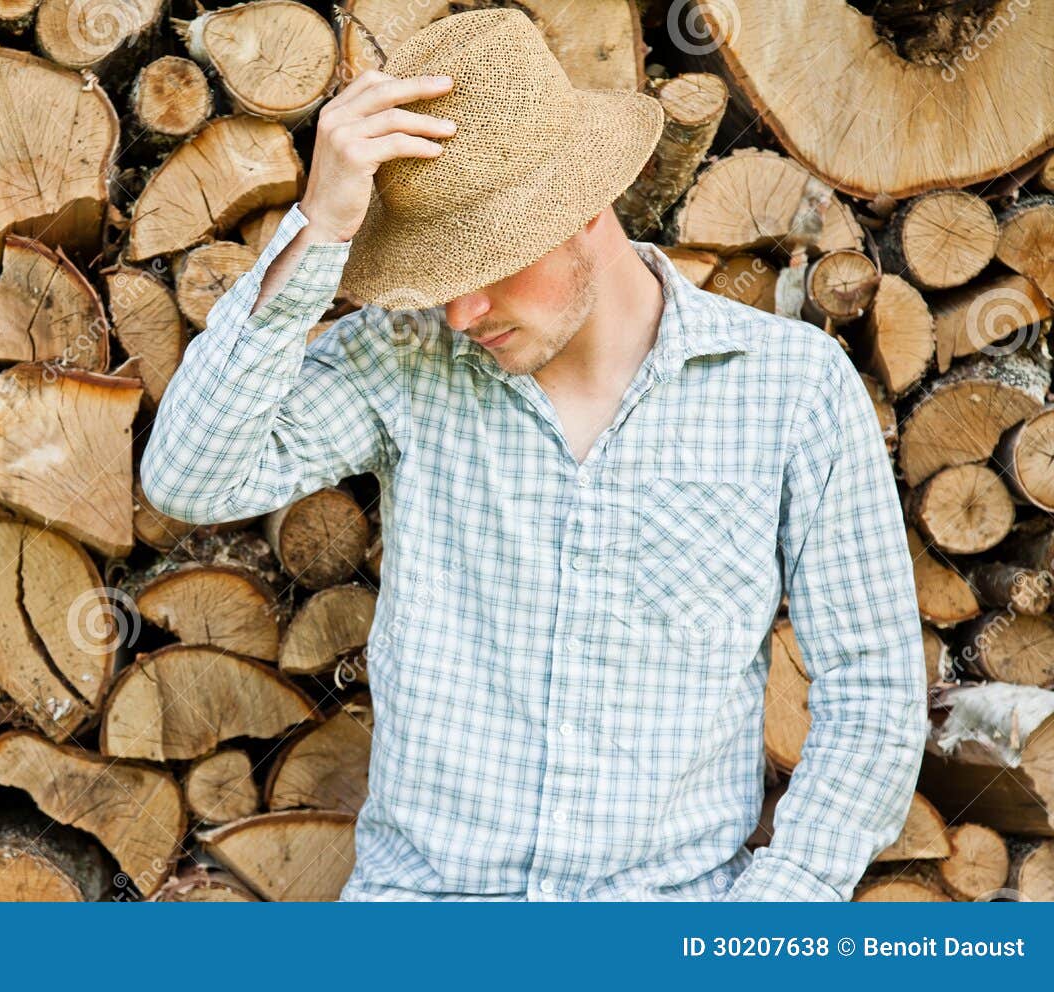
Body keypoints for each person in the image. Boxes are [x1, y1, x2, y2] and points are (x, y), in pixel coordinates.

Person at [138, 8, 928, 901]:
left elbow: (874, 689)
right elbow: (188, 478)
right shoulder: (405, 359)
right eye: (440, 279)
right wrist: (316, 228)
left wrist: (776, 913)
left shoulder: (793, 387)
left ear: (585, 205)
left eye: (490, 266)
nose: (460, 314)